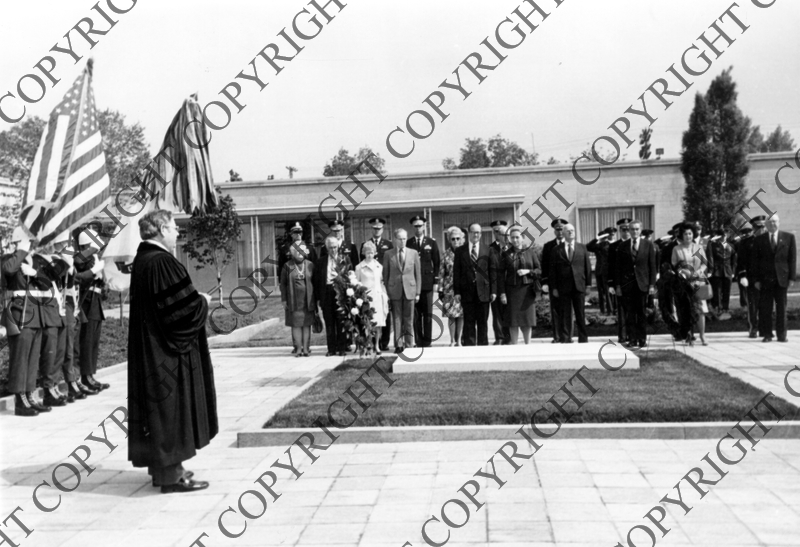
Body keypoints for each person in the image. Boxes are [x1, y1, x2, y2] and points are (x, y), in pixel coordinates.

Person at [128, 209, 217, 494]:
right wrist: (201, 301)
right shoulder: (162, 262)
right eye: (175, 227)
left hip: (151, 348)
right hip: (166, 351)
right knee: (170, 410)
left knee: (160, 411)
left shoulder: (144, 260)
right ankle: (172, 477)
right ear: (161, 229)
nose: (178, 232)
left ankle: (164, 469)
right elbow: (181, 312)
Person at [1, 228, 51, 416]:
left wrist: (35, 273)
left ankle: (29, 394)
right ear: (17, 242)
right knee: (20, 359)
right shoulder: (9, 258)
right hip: (20, 314)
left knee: (32, 359)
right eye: (26, 242)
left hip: (36, 314)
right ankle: (19, 398)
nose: (30, 245)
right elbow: (8, 270)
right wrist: (21, 252)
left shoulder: (33, 260)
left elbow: (47, 284)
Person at [74, 228, 108, 392]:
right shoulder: (82, 257)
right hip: (87, 301)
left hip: (95, 300)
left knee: (93, 341)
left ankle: (90, 375)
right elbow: (79, 262)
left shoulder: (95, 257)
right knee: (86, 341)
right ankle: (86, 377)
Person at [753, 213, 796, 343]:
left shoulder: (789, 237)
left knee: (781, 308)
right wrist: (756, 280)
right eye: (770, 222)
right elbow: (755, 261)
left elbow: (792, 259)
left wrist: (792, 278)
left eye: (775, 221)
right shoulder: (759, 240)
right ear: (766, 224)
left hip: (782, 278)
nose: (773, 224)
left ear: (779, 223)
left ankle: (782, 335)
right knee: (766, 308)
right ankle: (767, 334)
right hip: (765, 280)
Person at [615, 219, 657, 349]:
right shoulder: (622, 246)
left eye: (636, 229)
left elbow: (652, 266)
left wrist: (651, 285)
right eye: (631, 229)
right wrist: (618, 286)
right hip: (627, 285)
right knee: (630, 314)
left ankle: (642, 339)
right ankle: (632, 339)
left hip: (642, 284)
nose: (634, 231)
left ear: (640, 230)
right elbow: (618, 268)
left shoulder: (648, 245)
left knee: (642, 313)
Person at [547, 223, 591, 343]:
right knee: (565, 314)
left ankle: (583, 338)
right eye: (568, 231)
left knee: (580, 314)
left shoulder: (582, 247)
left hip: (579, 286)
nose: (570, 232)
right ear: (563, 233)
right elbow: (553, 271)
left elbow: (587, 267)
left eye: (572, 230)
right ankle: (566, 338)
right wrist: (554, 287)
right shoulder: (556, 249)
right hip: (563, 287)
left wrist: (588, 285)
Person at [454, 223, 495, 346]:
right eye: (473, 232)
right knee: (469, 323)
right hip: (467, 293)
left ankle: (483, 348)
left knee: (483, 323)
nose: (475, 234)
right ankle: (469, 348)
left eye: (478, 232)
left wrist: (493, 291)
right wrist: (457, 292)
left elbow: (492, 271)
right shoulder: (460, 251)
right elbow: (456, 272)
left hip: (484, 292)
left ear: (481, 234)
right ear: (468, 233)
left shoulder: (488, 250)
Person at [497, 226, 540, 344]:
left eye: (517, 237)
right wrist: (502, 293)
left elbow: (539, 271)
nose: (515, 240)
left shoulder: (530, 253)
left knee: (527, 320)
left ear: (523, 238)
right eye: (512, 238)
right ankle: (515, 346)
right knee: (513, 321)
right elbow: (500, 275)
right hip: (512, 291)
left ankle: (527, 345)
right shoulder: (505, 254)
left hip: (527, 291)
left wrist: (528, 271)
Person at [382, 228, 421, 352]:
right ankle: (398, 345)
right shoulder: (388, 254)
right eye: (400, 239)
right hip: (395, 290)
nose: (403, 241)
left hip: (410, 290)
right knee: (397, 319)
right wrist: (386, 293)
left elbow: (418, 274)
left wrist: (418, 292)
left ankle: (409, 344)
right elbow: (385, 274)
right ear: (395, 239)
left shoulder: (413, 253)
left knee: (409, 318)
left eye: (404, 238)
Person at [671, 222, 709, 346]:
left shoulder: (697, 248)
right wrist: (682, 271)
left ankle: (702, 336)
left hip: (698, 281)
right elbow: (674, 265)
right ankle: (689, 335)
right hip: (684, 283)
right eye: (685, 234)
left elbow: (704, 263)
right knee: (686, 309)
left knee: (700, 309)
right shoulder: (677, 249)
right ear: (681, 235)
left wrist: (699, 271)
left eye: (690, 233)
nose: (688, 236)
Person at [315, 235, 352, 356]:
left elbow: (350, 278)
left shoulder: (344, 259)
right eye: (331, 247)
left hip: (340, 293)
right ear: (326, 248)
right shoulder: (321, 262)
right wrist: (319, 298)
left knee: (341, 321)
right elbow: (317, 281)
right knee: (329, 322)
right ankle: (331, 349)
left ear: (338, 247)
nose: (333, 250)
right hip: (326, 293)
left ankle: (342, 348)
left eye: (335, 247)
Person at [407, 215, 440, 348]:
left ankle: (427, 342)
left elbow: (437, 262)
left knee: (427, 314)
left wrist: (436, 281)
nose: (418, 228)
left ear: (424, 226)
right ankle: (418, 341)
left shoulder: (431, 242)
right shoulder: (409, 243)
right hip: (412, 283)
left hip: (427, 283)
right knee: (415, 315)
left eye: (420, 225)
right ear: (413, 227)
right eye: (415, 226)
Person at [360, 217, 393, 351]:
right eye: (374, 228)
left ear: (383, 229)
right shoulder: (365, 244)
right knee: (370, 317)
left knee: (384, 316)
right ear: (371, 229)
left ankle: (383, 343)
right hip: (369, 285)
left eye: (379, 228)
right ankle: (370, 343)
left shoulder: (388, 244)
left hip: (382, 284)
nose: (377, 230)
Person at [280, 243, 315, 357]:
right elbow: (283, 284)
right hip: (293, 301)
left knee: (306, 325)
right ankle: (298, 349)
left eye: (302, 251)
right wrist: (284, 300)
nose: (300, 254)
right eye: (297, 252)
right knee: (296, 324)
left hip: (307, 300)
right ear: (293, 253)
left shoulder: (310, 265)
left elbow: (315, 283)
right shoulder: (287, 266)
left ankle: (306, 349)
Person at [356, 241, 389, 354]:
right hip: (366, 298)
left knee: (378, 323)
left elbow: (382, 282)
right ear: (363, 253)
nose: (369, 255)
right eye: (367, 252)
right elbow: (357, 284)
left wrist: (384, 296)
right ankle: (368, 345)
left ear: (375, 253)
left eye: (372, 252)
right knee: (367, 322)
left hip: (378, 296)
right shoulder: (359, 267)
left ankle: (377, 345)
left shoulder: (380, 266)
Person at [737, 216, 766, 338]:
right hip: (752, 278)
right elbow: (741, 261)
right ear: (753, 228)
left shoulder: (770, 240)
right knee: (753, 305)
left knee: (766, 304)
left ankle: (765, 328)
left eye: (763, 226)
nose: (761, 229)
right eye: (758, 227)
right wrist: (743, 276)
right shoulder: (746, 242)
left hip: (767, 278)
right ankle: (753, 328)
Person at [540, 218, 567, 343]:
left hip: (568, 283)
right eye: (557, 229)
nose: (560, 232)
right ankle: (556, 336)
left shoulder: (570, 244)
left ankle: (567, 336)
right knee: (555, 310)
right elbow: (544, 265)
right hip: (554, 284)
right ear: (554, 231)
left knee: (567, 310)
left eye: (562, 229)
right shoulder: (548, 246)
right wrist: (545, 282)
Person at [607, 218, 631, 344]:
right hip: (620, 283)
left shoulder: (636, 244)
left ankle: (633, 335)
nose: (626, 232)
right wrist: (611, 283)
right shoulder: (613, 246)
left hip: (635, 283)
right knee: (621, 311)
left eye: (628, 229)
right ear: (620, 231)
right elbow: (610, 266)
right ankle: (622, 336)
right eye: (623, 229)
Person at [440, 226, 464, 346]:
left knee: (461, 315)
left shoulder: (465, 253)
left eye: (458, 238)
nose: (455, 241)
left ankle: (459, 340)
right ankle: (452, 340)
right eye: (453, 239)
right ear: (449, 240)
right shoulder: (446, 254)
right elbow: (441, 273)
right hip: (449, 288)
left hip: (463, 289)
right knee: (451, 316)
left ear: (461, 239)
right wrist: (440, 290)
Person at [489, 221, 511, 344]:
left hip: (511, 287)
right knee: (497, 314)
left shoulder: (514, 248)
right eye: (497, 232)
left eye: (506, 234)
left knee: (509, 313)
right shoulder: (490, 249)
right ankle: (499, 337)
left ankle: (509, 337)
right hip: (497, 287)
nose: (504, 237)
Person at [707, 228, 737, 316]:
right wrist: (711, 270)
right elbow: (710, 258)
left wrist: (733, 271)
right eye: (722, 235)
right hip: (717, 271)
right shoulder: (713, 245)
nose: (724, 237)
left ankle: (726, 308)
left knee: (727, 291)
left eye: (725, 235)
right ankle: (718, 309)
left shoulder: (731, 245)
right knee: (717, 291)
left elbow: (734, 260)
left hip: (728, 271)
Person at [587, 227, 614, 315]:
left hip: (606, 271)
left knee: (606, 291)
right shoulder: (598, 246)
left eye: (603, 238)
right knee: (601, 291)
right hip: (599, 270)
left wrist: (600, 239)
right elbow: (588, 246)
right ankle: (603, 310)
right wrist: (597, 239)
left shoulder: (608, 245)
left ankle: (610, 310)